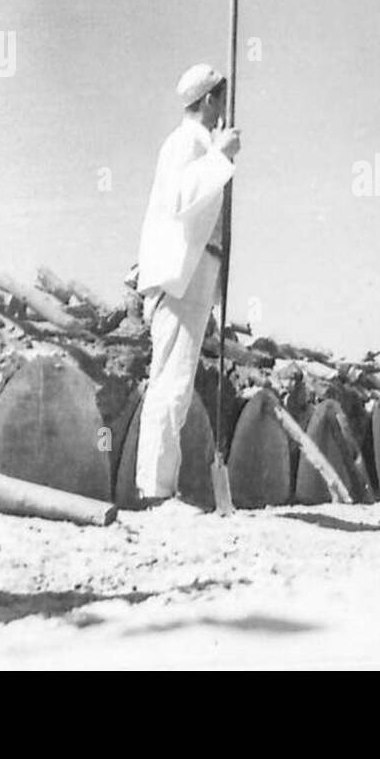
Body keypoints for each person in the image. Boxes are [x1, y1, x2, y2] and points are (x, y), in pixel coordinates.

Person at [133, 64, 241, 506]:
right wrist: (221, 157)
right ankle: (157, 492)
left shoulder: (198, 144)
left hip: (198, 271)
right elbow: (180, 200)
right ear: (211, 100)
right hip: (181, 275)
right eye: (222, 100)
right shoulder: (186, 143)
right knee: (171, 383)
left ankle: (159, 486)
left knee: (177, 380)